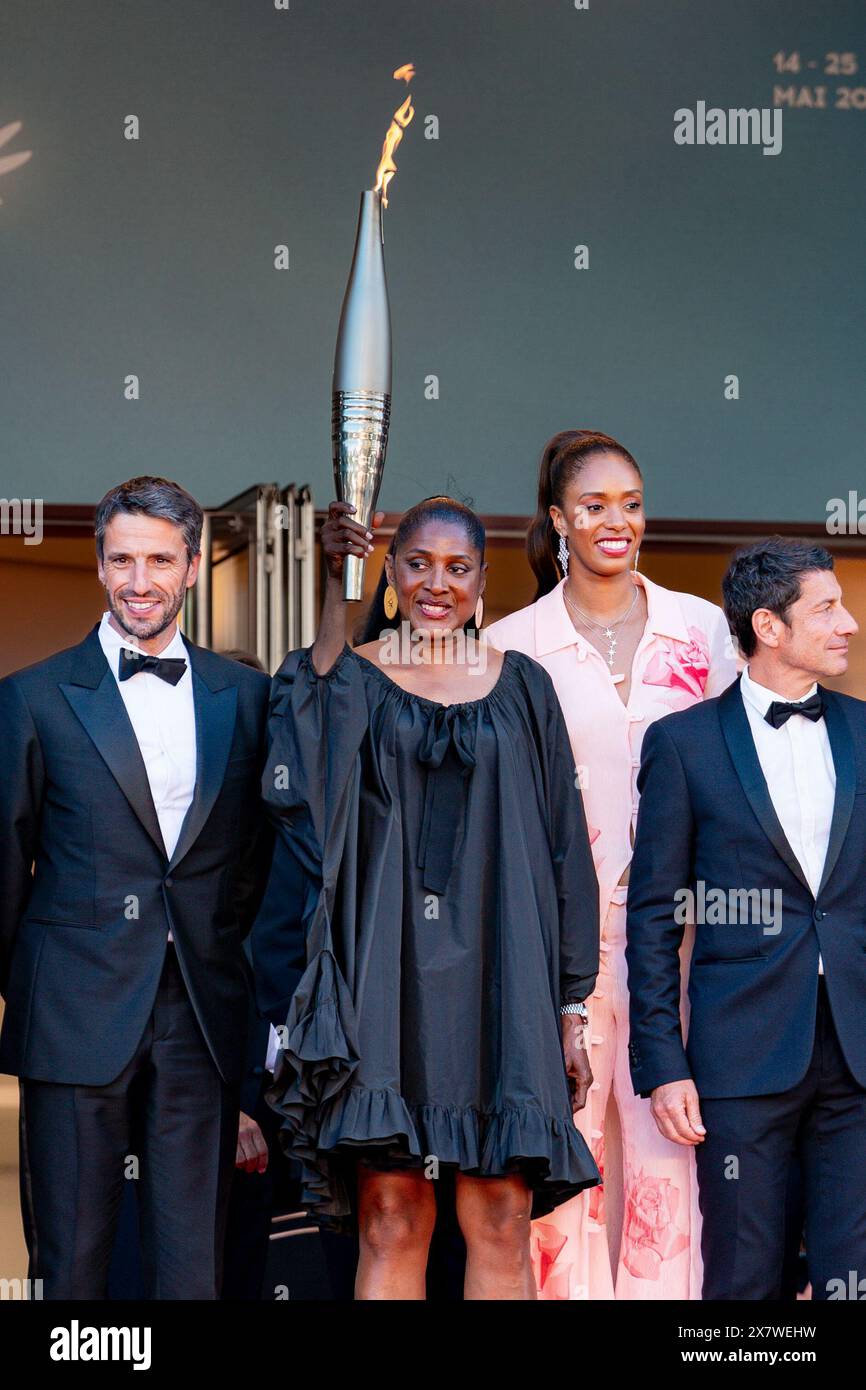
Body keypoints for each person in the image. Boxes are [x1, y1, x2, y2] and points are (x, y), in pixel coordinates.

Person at [254, 496, 600, 1300]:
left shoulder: (525, 689)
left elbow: (563, 846)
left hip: (505, 986)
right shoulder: (356, 682)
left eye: (458, 567)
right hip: (389, 987)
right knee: (392, 1216)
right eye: (417, 563)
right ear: (390, 571)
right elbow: (301, 758)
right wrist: (329, 592)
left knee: (502, 1217)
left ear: (483, 582)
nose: (436, 584)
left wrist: (571, 1008)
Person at [0, 476, 273, 1299]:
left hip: (201, 1011)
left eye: (159, 559)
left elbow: (255, 865)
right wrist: (25, 997)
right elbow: (5, 867)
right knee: (73, 1257)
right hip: (74, 1013)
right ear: (99, 566)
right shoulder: (31, 697)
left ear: (191, 566)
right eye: (122, 559)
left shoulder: (248, 698)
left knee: (194, 1263)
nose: (140, 580)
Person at [485, 430, 737, 1299]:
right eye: (595, 506)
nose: (618, 521)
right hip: (559, 945)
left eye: (632, 503)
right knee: (564, 1172)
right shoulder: (511, 645)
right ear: (558, 520)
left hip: (690, 941)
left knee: (675, 1163)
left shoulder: (704, 629)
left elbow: (737, 778)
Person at [626, 537, 866, 1299]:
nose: (849, 623)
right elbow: (655, 916)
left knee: (853, 1274)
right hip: (741, 1055)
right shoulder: (685, 744)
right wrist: (664, 1064)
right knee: (742, 1272)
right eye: (827, 608)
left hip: (858, 1052)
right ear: (768, 626)